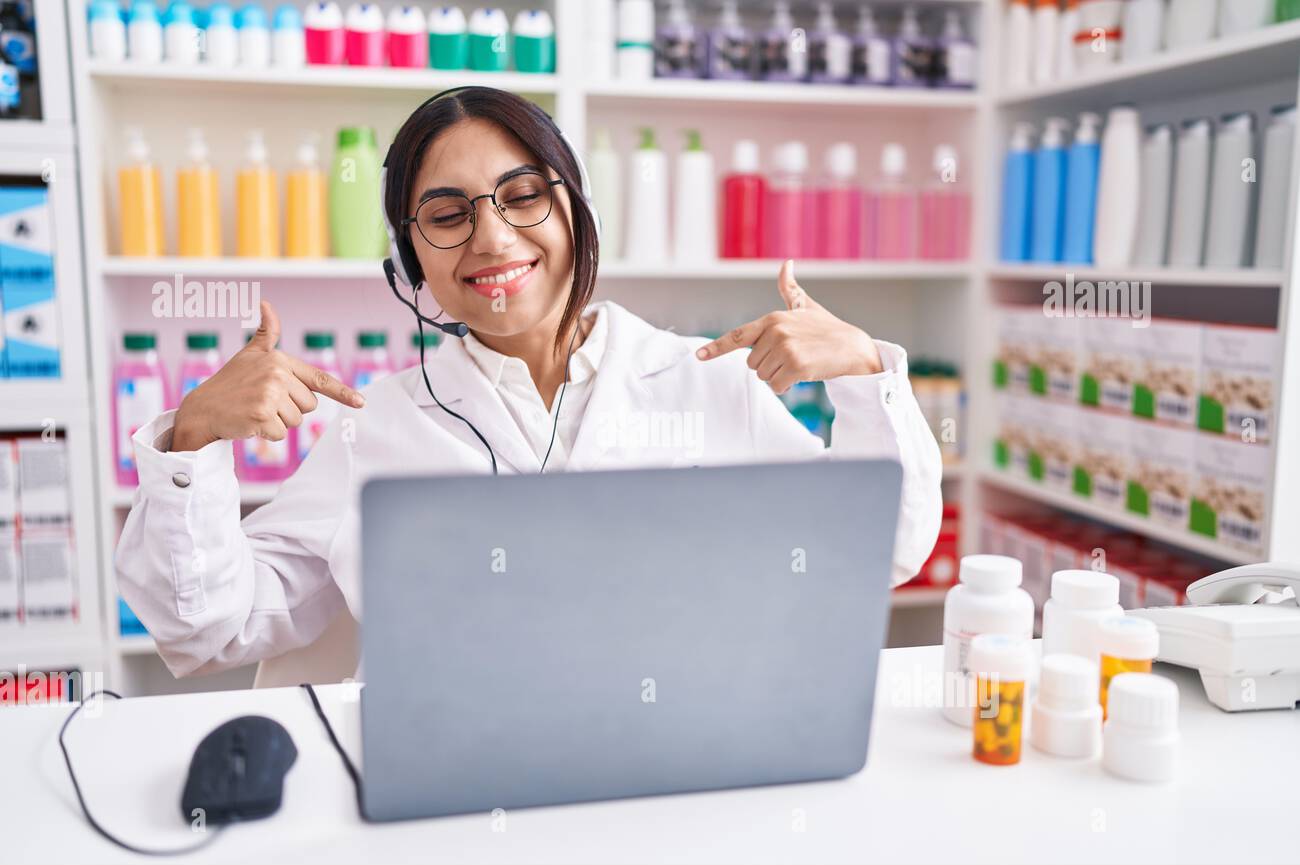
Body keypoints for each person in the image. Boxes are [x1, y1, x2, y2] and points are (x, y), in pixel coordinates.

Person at [115, 87, 943, 678]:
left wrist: (866, 373)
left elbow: (878, 553)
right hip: (457, 809)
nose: (491, 237)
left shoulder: (704, 381)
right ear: (414, 261)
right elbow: (211, 629)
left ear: (575, 211)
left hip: (678, 780)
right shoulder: (379, 428)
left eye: (521, 197)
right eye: (447, 215)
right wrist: (194, 438)